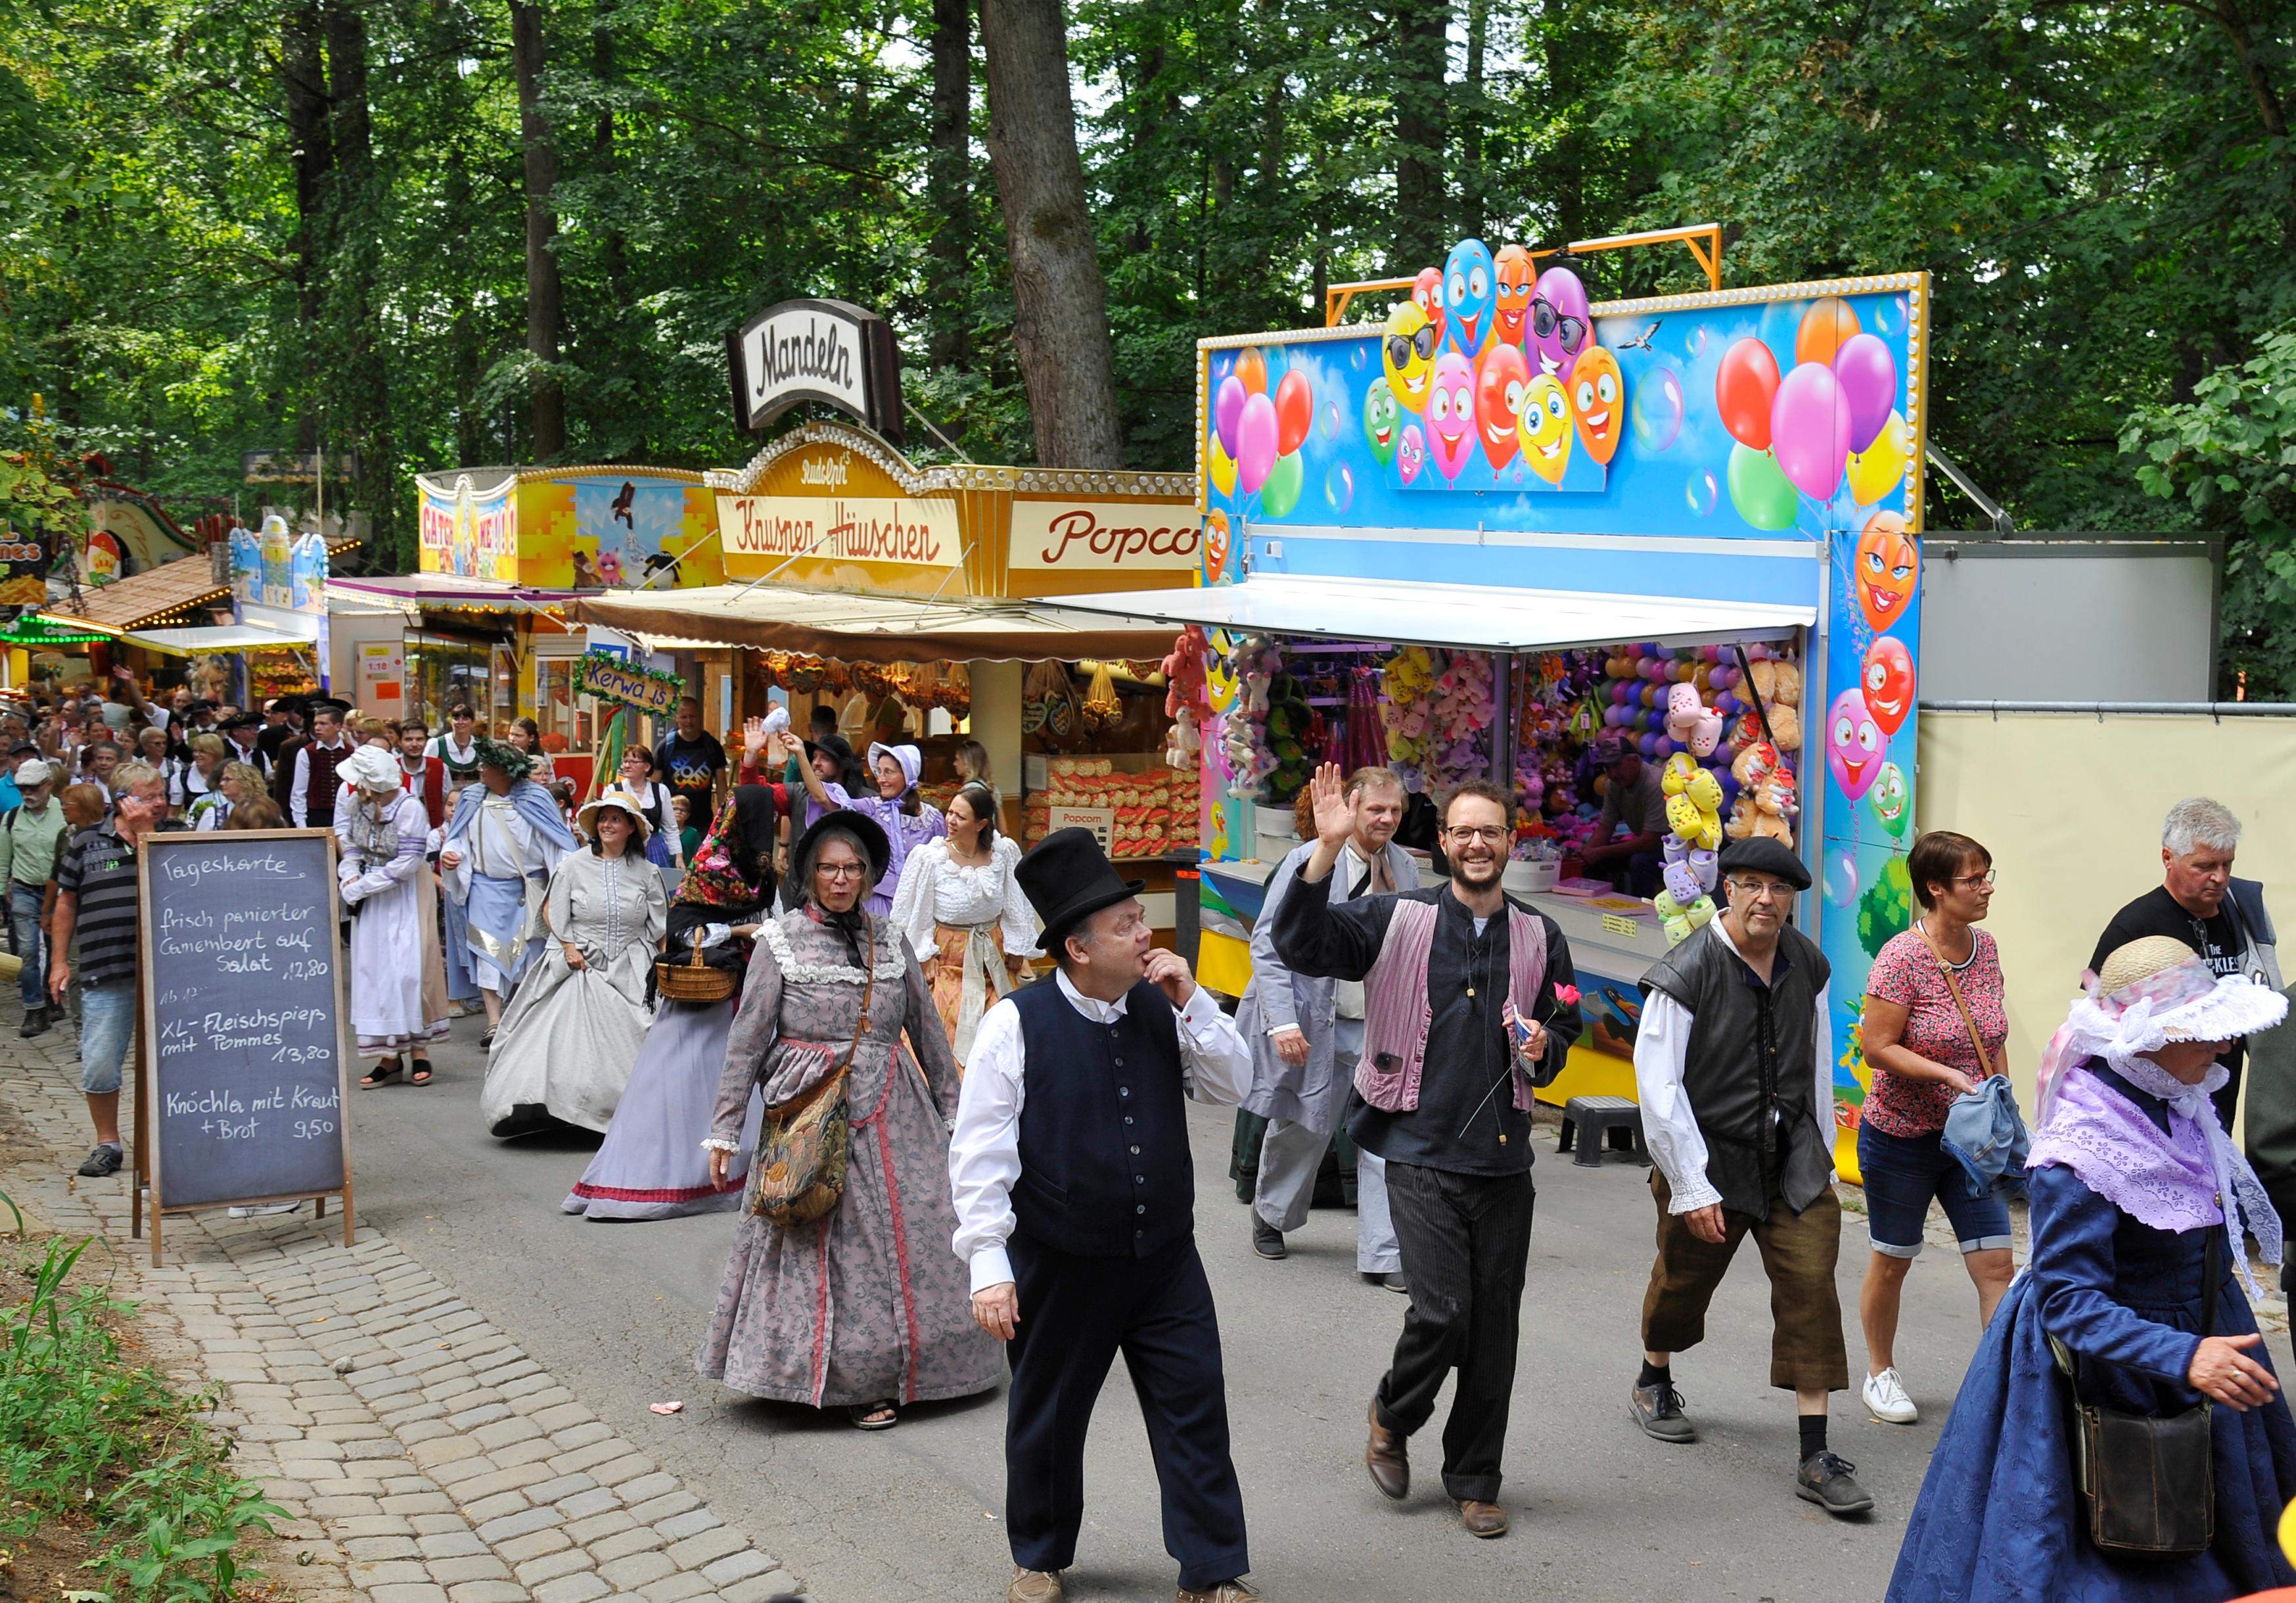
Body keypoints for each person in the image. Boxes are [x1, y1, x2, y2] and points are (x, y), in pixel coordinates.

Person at [1887, 937, 2296, 1601]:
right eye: (2204, 1033)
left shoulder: (2173, 1098)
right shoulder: (2081, 1147)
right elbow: (2067, 1302)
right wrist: (2184, 1356)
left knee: (2228, 1542)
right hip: (2108, 1378)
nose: (2223, 1048)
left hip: (2201, 1345)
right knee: (2112, 1553)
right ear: (2147, 1039)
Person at [952, 828, 1259, 1603]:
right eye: (1125, 924)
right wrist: (988, 1265)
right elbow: (979, 1153)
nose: (1143, 932)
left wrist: (1192, 1001)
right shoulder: (1015, 1025)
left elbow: (1236, 1086)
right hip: (1060, 1258)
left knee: (1194, 1407)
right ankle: (1040, 1556)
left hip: (1163, 1257)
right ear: (1079, 949)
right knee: (1049, 1417)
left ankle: (1213, 1570)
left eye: (1137, 916)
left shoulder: (1164, 1007)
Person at [1272, 767, 1578, 1541]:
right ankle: (1392, 1413)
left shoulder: (1540, 935)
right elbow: (1300, 942)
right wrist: (1325, 848)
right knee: (1441, 1312)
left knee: (1493, 1328)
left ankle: (1475, 1477)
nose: (1476, 844)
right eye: (1462, 831)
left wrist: (1546, 1046)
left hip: (1503, 1158)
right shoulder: (1394, 915)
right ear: (1440, 842)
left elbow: (1560, 1028)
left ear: (1510, 842)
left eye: (1491, 831)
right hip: (1415, 1146)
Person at [697, 810, 999, 1430]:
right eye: (831, 868)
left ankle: (915, 1369)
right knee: (827, 1244)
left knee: (916, 1235)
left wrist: (959, 1120)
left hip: (897, 1114)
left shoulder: (890, 942)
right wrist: (726, 1127)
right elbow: (747, 1042)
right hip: (810, 1114)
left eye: (853, 868)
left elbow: (930, 1043)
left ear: (867, 875)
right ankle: (837, 1378)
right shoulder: (779, 943)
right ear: (811, 874)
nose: (842, 879)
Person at [1628, 837, 1866, 1516]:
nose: (1766, 899)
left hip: (1791, 1159)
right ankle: (1653, 1378)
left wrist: (1820, 1151)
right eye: (1752, 885)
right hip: (1709, 1157)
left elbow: (1816, 1061)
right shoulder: (1686, 971)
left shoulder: (1806, 963)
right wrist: (1690, 1183)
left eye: (1779, 888)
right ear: (1725, 889)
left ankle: (1814, 1455)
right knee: (1682, 1281)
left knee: (1809, 1289)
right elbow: (1659, 1088)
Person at [1856, 830, 2016, 1426]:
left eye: (1987, 875)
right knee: (1894, 1257)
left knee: (1997, 1265)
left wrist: (2004, 1098)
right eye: (1973, 880)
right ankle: (1880, 1372)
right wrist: (1949, 1074)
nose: (1986, 888)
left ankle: (1997, 1386)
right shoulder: (1902, 956)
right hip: (1904, 1134)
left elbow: (1993, 1035)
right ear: (1935, 888)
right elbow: (1877, 1047)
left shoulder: (1988, 948)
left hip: (1973, 1140)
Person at [1240, 764, 1417, 1289]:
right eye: (1376, 809)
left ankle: (1385, 1255)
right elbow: (1268, 946)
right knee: (1305, 1126)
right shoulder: (1308, 860)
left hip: (1381, 1023)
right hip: (1318, 1019)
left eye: (1395, 811)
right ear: (1352, 808)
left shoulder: (1405, 866)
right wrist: (1283, 1022)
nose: (1386, 819)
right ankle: (1271, 1214)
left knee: (1387, 1135)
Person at [565, 786, 777, 1220]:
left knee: (735, 1087)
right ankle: (657, 1181)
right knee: (680, 1092)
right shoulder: (708, 869)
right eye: (765, 821)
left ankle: (736, 1174)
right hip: (703, 998)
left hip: (749, 996)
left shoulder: (760, 872)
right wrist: (739, 934)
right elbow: (680, 931)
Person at [481, 786, 666, 1137]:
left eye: (616, 820)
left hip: (633, 963)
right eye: (603, 820)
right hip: (582, 960)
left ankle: (627, 1116)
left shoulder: (647, 872)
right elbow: (552, 909)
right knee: (561, 1037)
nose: (608, 825)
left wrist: (661, 966)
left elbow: (658, 926)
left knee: (643, 1030)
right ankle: (558, 1111)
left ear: (631, 828)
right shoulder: (573, 865)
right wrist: (568, 945)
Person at [2090, 798, 2274, 1134]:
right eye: (2205, 866)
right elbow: (2100, 1028)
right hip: (2155, 1108)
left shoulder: (2243, 917)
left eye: (2227, 865)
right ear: (2168, 858)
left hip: (2221, 1088)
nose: (2220, 878)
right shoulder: (2134, 926)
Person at [50, 761, 170, 1180]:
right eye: (149, 795)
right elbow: (67, 902)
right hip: (105, 967)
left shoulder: (172, 838)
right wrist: (59, 960)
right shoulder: (86, 841)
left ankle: (174, 1140)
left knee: (175, 1061)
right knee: (100, 1062)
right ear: (123, 800)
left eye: (161, 794)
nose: (159, 802)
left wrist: (143, 835)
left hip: (170, 975)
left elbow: (172, 882)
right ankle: (108, 1143)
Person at [440, 738, 579, 1043]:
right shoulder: (472, 798)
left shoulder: (536, 799)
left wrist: (559, 887)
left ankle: (526, 1019)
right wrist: (451, 855)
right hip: (484, 890)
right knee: (488, 956)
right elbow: (457, 837)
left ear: (504, 771)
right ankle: (494, 1022)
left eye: (487, 766)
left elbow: (558, 846)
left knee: (528, 958)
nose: (481, 770)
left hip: (526, 890)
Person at [890, 781, 1032, 1070]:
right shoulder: (931, 858)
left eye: (960, 816)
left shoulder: (1003, 853)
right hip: (949, 961)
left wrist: (1019, 946)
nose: (951, 820)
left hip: (994, 958)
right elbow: (914, 910)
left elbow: (1016, 902)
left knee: (1002, 1029)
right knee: (947, 1030)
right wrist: (924, 955)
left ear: (981, 824)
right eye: (950, 812)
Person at [336, 747, 452, 1088]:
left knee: (408, 969)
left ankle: (419, 1050)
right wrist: (349, 876)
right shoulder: (357, 804)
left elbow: (407, 863)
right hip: (373, 898)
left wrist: (365, 886)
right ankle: (389, 1057)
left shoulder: (409, 808)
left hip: (404, 897)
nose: (356, 788)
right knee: (376, 970)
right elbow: (351, 844)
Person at [782, 732, 944, 918]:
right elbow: (823, 798)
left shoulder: (933, 819)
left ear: (907, 776)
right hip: (877, 904)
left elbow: (941, 865)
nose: (881, 779)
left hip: (917, 908)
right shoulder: (871, 807)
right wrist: (801, 754)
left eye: (888, 772)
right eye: (879, 772)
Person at [0, 760, 65, 1038]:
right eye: (23, 788)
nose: (28, 793)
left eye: (33, 788)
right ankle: (34, 1007)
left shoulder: (63, 812)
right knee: (28, 952)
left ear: (48, 785)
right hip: (25, 890)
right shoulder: (12, 817)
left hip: (59, 893)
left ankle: (53, 998)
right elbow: (3, 859)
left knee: (54, 949)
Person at [1578, 735, 1666, 896]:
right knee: (1592, 863)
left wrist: (1600, 852)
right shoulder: (1614, 785)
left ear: (1634, 761)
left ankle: (1642, 914)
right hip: (1649, 847)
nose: (1612, 773)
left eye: (1616, 765)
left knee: (1640, 862)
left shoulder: (1655, 784)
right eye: (1607, 768)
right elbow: (1605, 828)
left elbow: (1650, 842)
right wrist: (1588, 853)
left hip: (1673, 852)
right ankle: (1592, 908)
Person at [283, 697, 353, 829]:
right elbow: (299, 792)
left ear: (338, 726)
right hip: (316, 817)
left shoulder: (352, 752)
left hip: (346, 816)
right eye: (316, 724)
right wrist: (301, 825)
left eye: (323, 724)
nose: (318, 728)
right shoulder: (307, 752)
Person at [654, 695, 727, 818]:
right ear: (676, 718)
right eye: (684, 717)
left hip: (703, 820)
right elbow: (654, 785)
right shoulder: (665, 746)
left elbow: (721, 785)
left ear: (699, 716)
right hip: (672, 821)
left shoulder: (712, 745)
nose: (689, 721)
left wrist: (723, 818)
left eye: (692, 716)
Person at [616, 745, 681, 864]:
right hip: (624, 849)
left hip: (655, 850)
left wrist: (678, 857)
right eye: (625, 761)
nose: (627, 765)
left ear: (647, 766)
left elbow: (670, 828)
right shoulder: (614, 790)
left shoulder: (661, 791)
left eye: (633, 762)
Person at [394, 718, 448, 829]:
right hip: (401, 835)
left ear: (426, 741)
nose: (415, 744)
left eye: (420, 739)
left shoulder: (440, 767)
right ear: (399, 742)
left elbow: (448, 802)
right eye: (409, 740)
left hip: (434, 833)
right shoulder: (392, 769)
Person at [426, 703, 483, 786]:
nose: (460, 722)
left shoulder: (481, 746)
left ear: (473, 722)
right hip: (445, 797)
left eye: (465, 719)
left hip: (474, 797)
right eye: (456, 718)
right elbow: (427, 773)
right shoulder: (436, 744)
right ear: (451, 721)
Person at [174, 732, 225, 814]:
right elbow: (174, 814)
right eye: (195, 751)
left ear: (216, 753)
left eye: (202, 751)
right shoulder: (182, 778)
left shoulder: (229, 776)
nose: (197, 755)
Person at [506, 715, 556, 783]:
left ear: (531, 738)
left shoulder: (543, 756)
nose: (512, 739)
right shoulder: (503, 755)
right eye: (511, 734)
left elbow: (551, 782)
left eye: (518, 736)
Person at [219, 709, 269, 776]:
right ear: (235, 731)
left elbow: (268, 775)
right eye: (250, 729)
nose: (255, 732)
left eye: (256, 729)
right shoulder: (220, 749)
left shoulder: (259, 753)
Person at [671, 795, 700, 864]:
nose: (679, 812)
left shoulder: (693, 833)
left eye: (683, 810)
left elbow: (698, 855)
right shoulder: (661, 833)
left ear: (688, 815)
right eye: (675, 809)